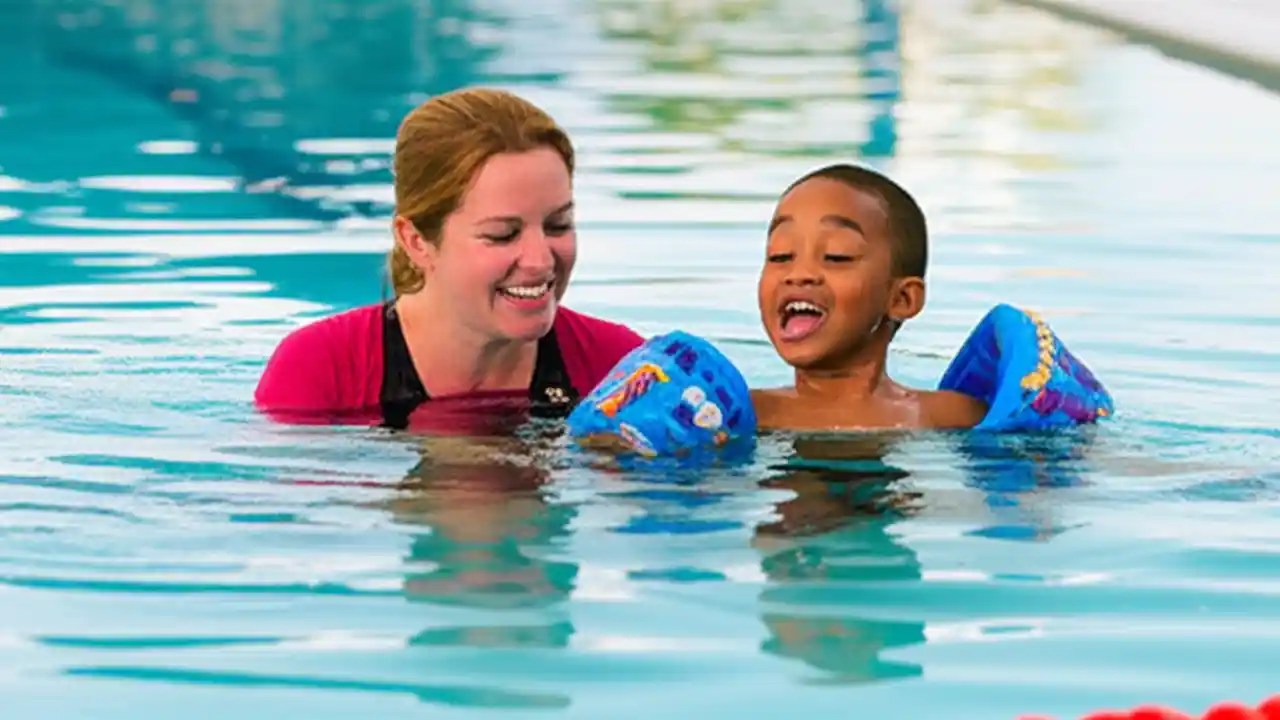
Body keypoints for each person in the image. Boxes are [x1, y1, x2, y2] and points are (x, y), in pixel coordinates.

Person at [254, 87, 644, 430]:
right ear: (417, 242)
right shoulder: (320, 373)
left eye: (558, 225)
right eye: (501, 235)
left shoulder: (619, 369)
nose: (541, 261)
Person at [749, 163, 988, 432]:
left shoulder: (955, 415)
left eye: (837, 256)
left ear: (902, 299)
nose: (799, 274)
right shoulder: (740, 415)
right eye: (780, 255)